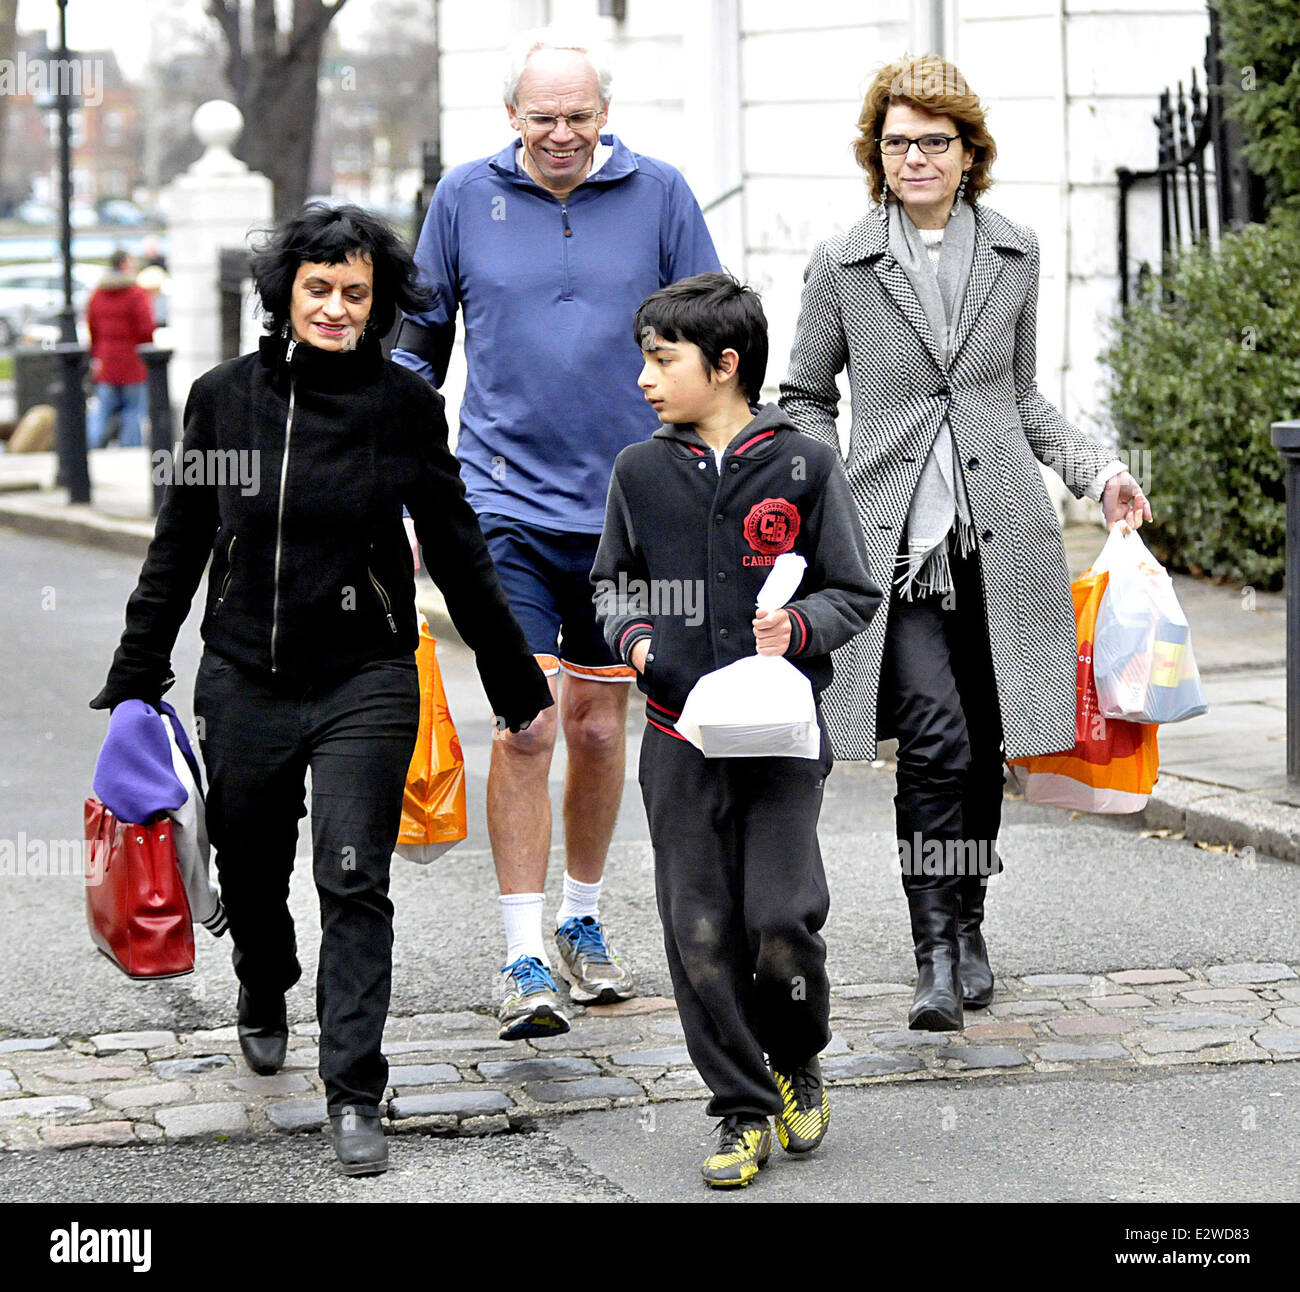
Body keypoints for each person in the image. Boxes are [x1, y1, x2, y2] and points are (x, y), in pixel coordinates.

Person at [90, 204, 552, 1176]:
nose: (337, 307)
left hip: (366, 677)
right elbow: (179, 541)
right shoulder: (221, 399)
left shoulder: (401, 408)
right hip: (242, 679)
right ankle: (264, 983)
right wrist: (137, 670)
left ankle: (353, 1086)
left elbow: (459, 548)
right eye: (319, 289)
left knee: (353, 876)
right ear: (284, 294)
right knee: (253, 874)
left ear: (376, 303)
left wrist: (512, 678)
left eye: (355, 293)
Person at [780, 55, 1152, 1032]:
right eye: (896, 141)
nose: (913, 157)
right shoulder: (843, 260)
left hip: (1002, 536)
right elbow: (805, 397)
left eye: (932, 141)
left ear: (966, 152)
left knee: (987, 743)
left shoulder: (1014, 252)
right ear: (878, 153)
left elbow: (1020, 398)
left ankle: (971, 915)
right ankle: (933, 949)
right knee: (936, 738)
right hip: (890, 540)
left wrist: (1097, 472)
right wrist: (827, 496)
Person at [392, 29, 721, 1040]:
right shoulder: (462, 198)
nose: (564, 135)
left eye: (580, 117)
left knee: (594, 724)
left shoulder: (660, 195)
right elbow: (418, 348)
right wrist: (391, 483)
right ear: (512, 120)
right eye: (545, 119)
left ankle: (581, 917)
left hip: (632, 508)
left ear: (603, 115)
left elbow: (714, 334)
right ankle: (521, 950)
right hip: (501, 506)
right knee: (527, 723)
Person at [592, 273, 881, 1187]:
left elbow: (853, 591)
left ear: (724, 366)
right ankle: (739, 1107)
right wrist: (637, 643)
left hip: (781, 740)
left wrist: (796, 631)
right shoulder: (639, 470)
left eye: (661, 358)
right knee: (700, 929)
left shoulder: (803, 466)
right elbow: (613, 584)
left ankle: (796, 1055)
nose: (644, 377)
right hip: (680, 738)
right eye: (645, 356)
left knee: (781, 921)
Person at [86, 249, 155, 448]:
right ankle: (130, 448)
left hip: (106, 360)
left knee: (102, 409)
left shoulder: (98, 294)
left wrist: (97, 354)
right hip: (132, 361)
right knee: (133, 409)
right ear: (125, 264)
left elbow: (93, 328)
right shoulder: (136, 293)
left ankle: (93, 446)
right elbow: (145, 328)